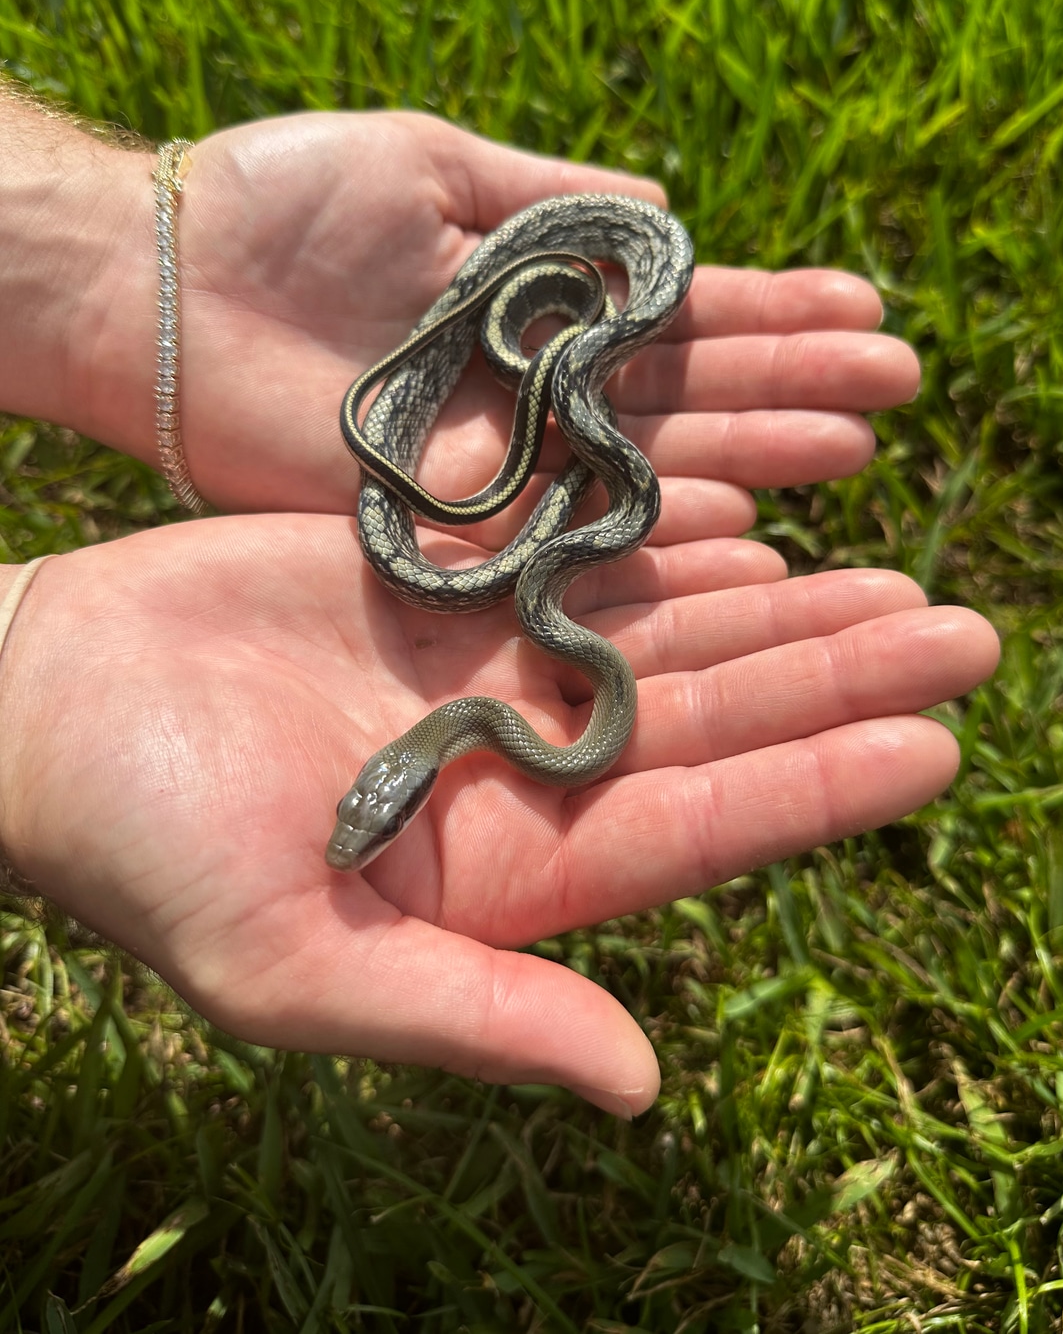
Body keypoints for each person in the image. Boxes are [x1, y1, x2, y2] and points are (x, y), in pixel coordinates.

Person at [0, 97, 999, 1116]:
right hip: (547, 396)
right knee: (507, 492)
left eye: (366, 813)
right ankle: (545, 395)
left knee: (548, 442)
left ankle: (544, 381)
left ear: (407, 778)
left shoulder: (525, 639)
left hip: (558, 364)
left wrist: (139, 249)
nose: (360, 826)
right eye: (369, 818)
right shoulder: (522, 697)